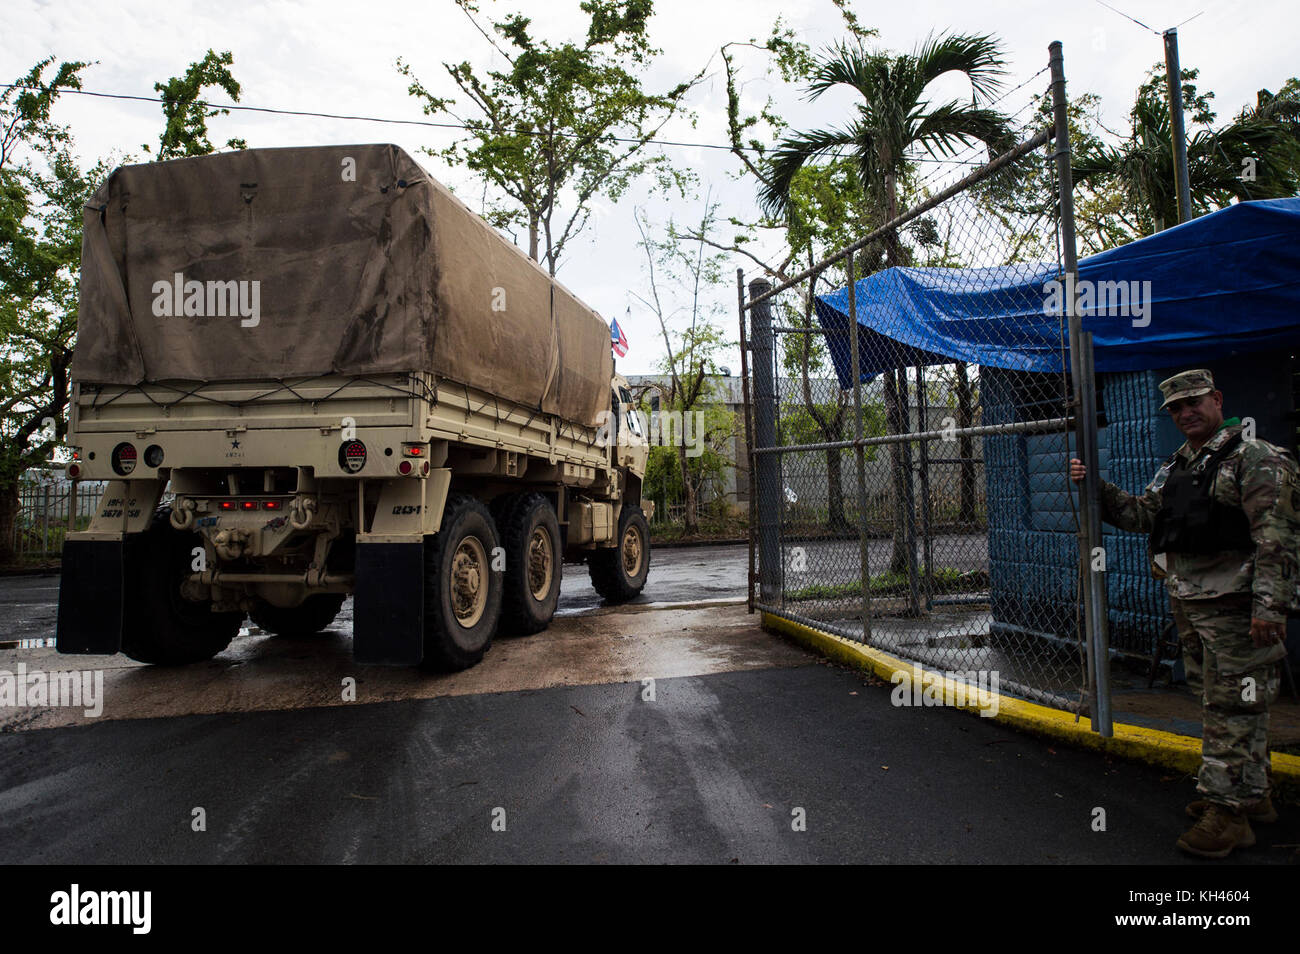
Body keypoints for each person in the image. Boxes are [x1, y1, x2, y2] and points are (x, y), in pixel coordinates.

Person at [1069, 369, 1299, 858]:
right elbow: (1142, 515)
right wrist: (1097, 487)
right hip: (1193, 604)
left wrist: (1270, 607)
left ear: (1217, 399)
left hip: (1238, 609)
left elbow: (1277, 538)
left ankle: (1227, 814)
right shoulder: (1180, 464)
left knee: (1230, 706)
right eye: (1175, 408)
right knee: (1222, 701)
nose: (1185, 413)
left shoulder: (1255, 457)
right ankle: (1252, 795)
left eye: (1193, 402)